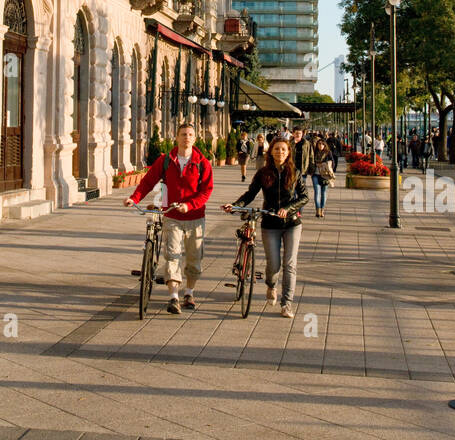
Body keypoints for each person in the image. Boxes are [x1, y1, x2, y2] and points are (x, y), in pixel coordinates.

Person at [126, 122, 213, 313]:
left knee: (193, 258)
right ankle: (173, 297)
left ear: (194, 138)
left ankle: (189, 292)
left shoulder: (202, 163)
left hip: (195, 217)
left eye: (190, 134)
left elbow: (206, 191)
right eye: (183, 134)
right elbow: (148, 181)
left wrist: (189, 205)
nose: (186, 138)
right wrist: (134, 198)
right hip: (171, 216)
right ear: (176, 137)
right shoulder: (166, 160)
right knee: (172, 255)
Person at [223, 136, 309, 318]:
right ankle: (271, 285)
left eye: (284, 149)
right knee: (274, 264)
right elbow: (250, 193)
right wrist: (235, 204)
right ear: (271, 152)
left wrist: (288, 208)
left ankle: (287, 304)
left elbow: (304, 197)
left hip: (292, 223)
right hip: (270, 223)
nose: (280, 152)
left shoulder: (295, 172)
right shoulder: (263, 173)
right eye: (277, 149)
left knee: (290, 264)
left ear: (288, 153)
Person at [312, 136, 335, 218]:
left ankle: (322, 209)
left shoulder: (328, 153)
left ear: (325, 145)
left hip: (325, 175)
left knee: (324, 193)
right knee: (317, 192)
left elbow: (333, 163)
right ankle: (318, 210)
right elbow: (311, 162)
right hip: (315, 175)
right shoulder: (314, 152)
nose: (320, 146)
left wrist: (324, 165)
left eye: (322, 144)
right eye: (319, 144)